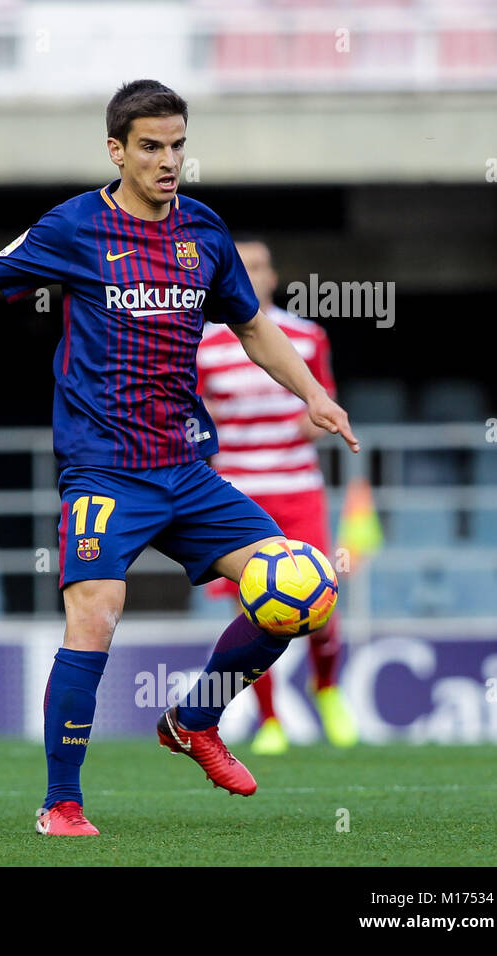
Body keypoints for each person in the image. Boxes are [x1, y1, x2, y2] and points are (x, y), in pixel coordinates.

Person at [0, 80, 359, 836]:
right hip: (104, 469)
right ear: (117, 150)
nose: (168, 160)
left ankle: (194, 720)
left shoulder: (204, 231)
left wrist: (312, 393)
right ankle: (62, 802)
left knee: (306, 589)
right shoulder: (76, 226)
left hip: (186, 468)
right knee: (97, 615)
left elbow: (251, 326)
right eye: (151, 146)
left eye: (177, 144)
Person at [196, 237, 358, 753]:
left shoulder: (306, 335)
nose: (256, 274)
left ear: (273, 275)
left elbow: (323, 396)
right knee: (256, 607)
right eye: (245, 267)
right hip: (238, 492)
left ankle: (327, 688)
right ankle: (270, 720)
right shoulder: (201, 343)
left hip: (297, 487)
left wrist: (315, 419)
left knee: (322, 600)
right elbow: (193, 417)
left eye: (263, 265)